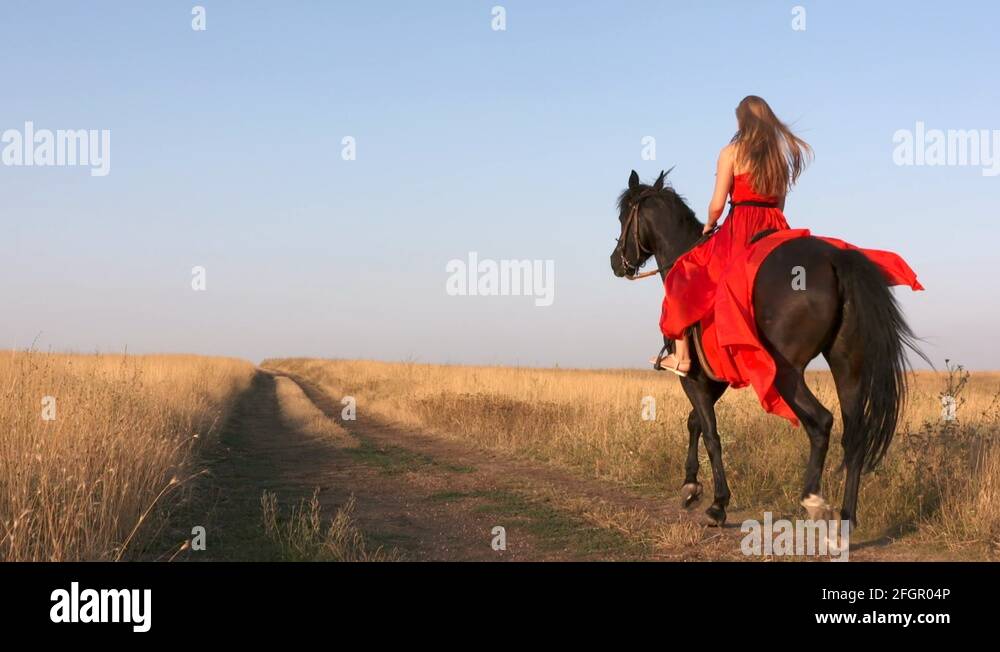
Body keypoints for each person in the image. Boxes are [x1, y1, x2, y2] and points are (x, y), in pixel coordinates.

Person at [656, 95, 811, 376]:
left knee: (682, 274)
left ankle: (682, 357)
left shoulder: (731, 153)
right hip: (774, 226)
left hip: (741, 226)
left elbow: (716, 205)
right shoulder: (778, 158)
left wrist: (708, 226)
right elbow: (780, 204)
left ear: (742, 120)